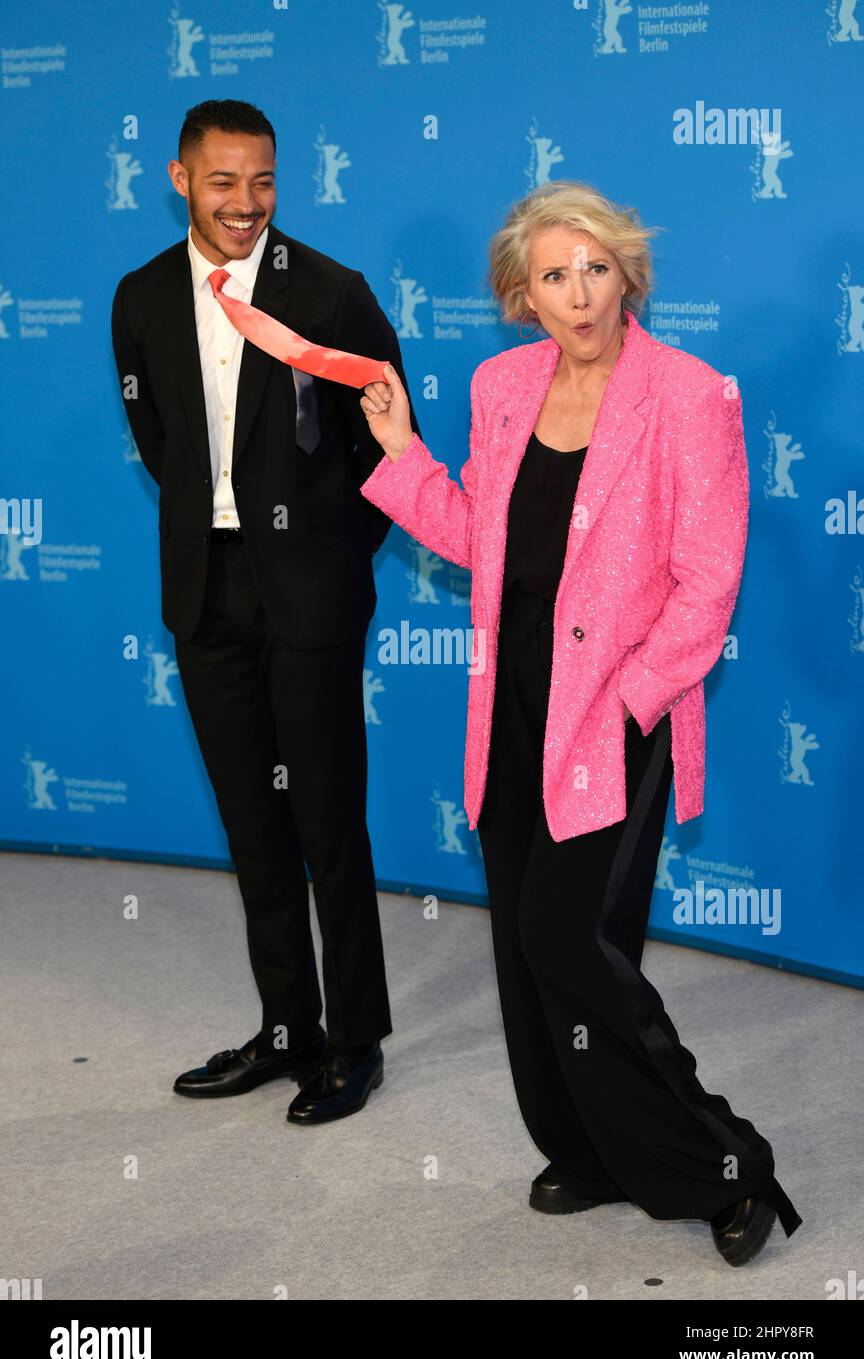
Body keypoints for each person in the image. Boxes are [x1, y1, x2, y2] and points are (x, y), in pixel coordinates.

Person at [357, 180, 802, 1265]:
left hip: (618, 713)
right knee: (524, 940)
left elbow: (707, 583)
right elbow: (484, 537)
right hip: (512, 708)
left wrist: (636, 699)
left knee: (573, 936)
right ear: (523, 295)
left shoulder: (691, 395)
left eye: (596, 266)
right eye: (554, 275)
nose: (581, 292)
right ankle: (590, 1146)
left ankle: (726, 1165)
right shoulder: (503, 386)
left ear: (626, 271)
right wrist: (402, 453)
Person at [111, 99, 420, 1123]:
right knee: (253, 824)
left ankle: (356, 1037)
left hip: (311, 598)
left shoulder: (330, 294)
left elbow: (390, 445)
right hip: (207, 596)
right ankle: (285, 1029)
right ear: (179, 177)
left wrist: (326, 559)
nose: (246, 204)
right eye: (223, 182)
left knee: (328, 824)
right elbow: (160, 440)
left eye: (265, 182)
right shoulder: (142, 297)